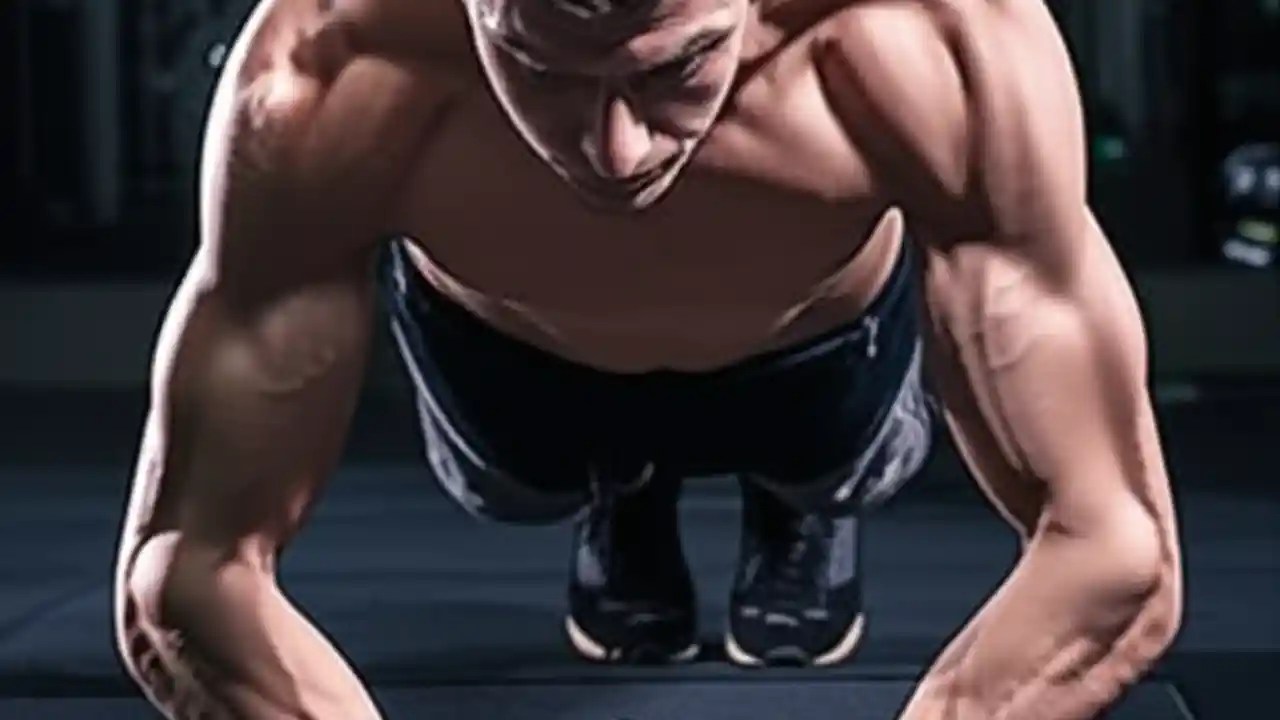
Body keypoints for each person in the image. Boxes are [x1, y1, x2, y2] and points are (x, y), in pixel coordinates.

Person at [112, 0, 1185, 717]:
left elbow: (1116, 547)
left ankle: (794, 502)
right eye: (533, 64)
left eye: (679, 64)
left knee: (829, 459)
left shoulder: (931, 38)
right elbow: (182, 571)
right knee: (518, 481)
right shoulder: (329, 60)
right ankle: (619, 494)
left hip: (809, 353)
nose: (611, 149)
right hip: (515, 356)